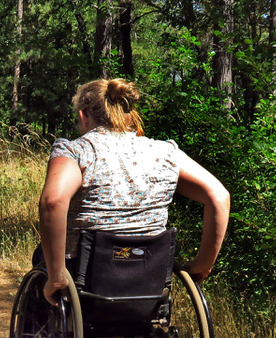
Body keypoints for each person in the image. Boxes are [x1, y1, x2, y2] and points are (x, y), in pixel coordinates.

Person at [37, 78, 230, 303]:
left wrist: (57, 275)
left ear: (84, 115)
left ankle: (32, 335)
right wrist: (203, 264)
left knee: (41, 254)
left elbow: (53, 202)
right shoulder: (165, 153)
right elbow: (219, 196)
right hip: (148, 278)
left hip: (85, 278)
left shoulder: (77, 151)